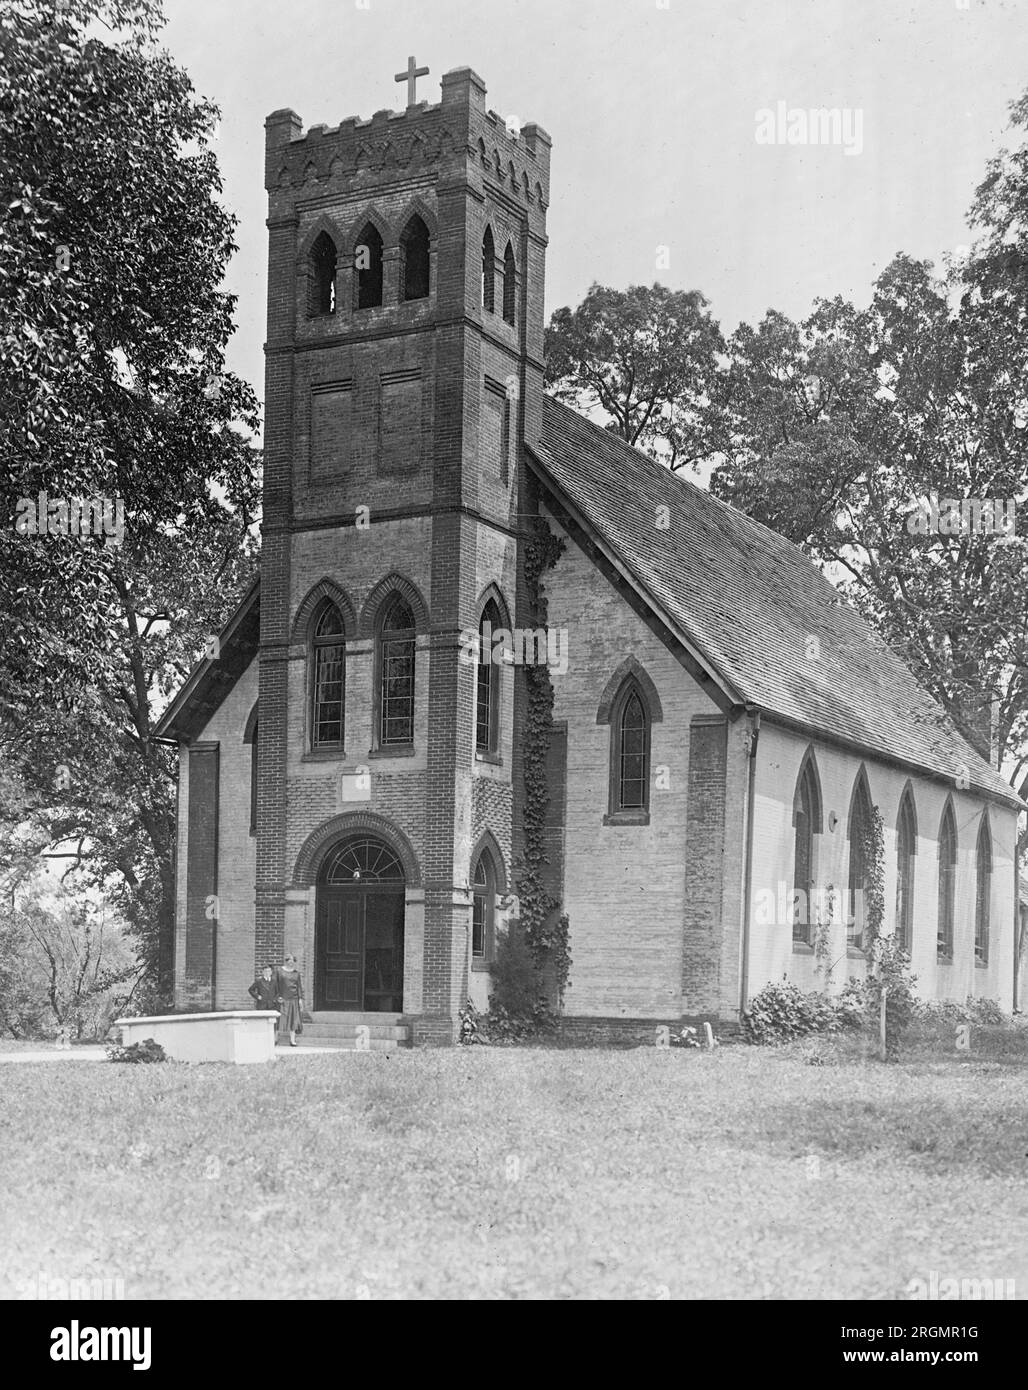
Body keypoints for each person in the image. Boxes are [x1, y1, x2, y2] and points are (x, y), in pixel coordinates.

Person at [273, 954, 304, 1046]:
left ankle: (292, 1040)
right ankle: (275, 1038)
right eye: (289, 961)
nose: (291, 963)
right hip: (282, 998)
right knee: (280, 1019)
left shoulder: (296, 973)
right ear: (286, 961)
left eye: (293, 962)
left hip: (293, 999)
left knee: (293, 1019)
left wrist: (300, 999)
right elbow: (275, 984)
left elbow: (299, 987)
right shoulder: (279, 971)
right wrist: (277, 996)